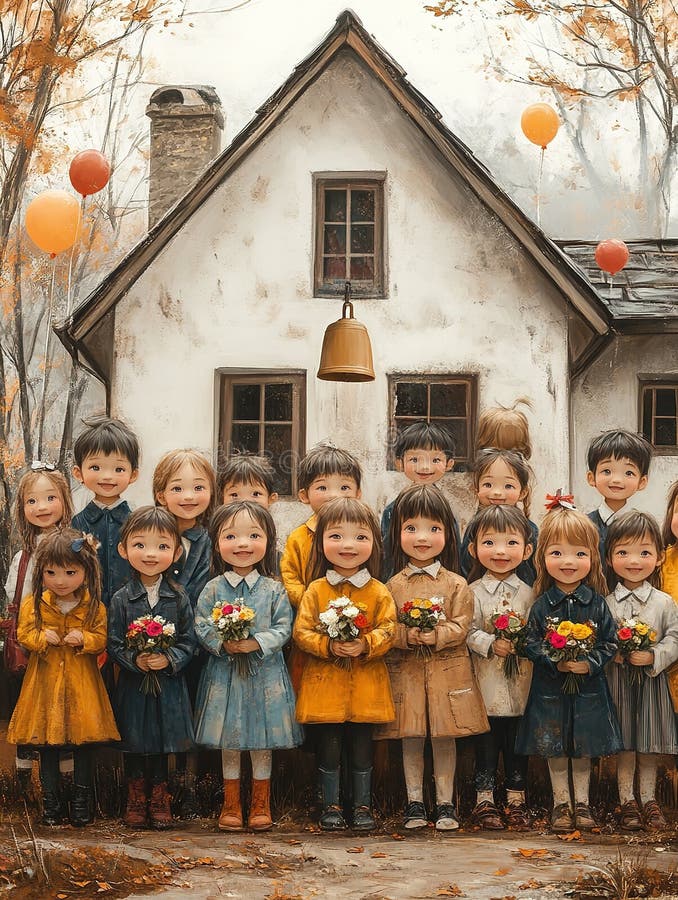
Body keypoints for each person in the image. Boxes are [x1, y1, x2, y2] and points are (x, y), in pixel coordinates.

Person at [376, 484, 488, 832]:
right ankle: (414, 801)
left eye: (433, 529)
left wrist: (437, 634)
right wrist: (405, 635)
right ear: (397, 534)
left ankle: (445, 802)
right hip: (407, 671)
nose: (422, 538)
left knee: (444, 736)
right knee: (411, 736)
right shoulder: (391, 586)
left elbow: (462, 624)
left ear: (448, 534)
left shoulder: (456, 584)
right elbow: (385, 626)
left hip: (446, 672)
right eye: (411, 528)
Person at [193, 501, 302, 832]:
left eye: (253, 535)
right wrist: (222, 643)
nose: (242, 544)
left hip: (265, 676)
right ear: (217, 543)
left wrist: (257, 642)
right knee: (231, 737)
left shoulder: (273, 589)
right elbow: (201, 624)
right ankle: (230, 803)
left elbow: (285, 627)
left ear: (268, 540)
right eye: (231, 536)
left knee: (260, 738)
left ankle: (260, 802)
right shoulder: (213, 588)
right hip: (224, 674)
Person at [515, 498, 622, 834]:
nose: (568, 562)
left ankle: (584, 805)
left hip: (588, 690)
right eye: (557, 553)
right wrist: (554, 661)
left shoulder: (597, 604)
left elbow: (610, 642)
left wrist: (588, 664)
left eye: (579, 553)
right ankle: (561, 803)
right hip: (551, 689)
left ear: (592, 558)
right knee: (556, 747)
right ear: (542, 557)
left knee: (582, 748)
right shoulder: (541, 606)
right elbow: (529, 642)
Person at [293, 498, 396, 832]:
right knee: (329, 749)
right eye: (336, 536)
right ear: (321, 542)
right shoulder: (315, 590)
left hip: (366, 685)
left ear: (374, 543)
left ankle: (363, 805)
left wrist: (365, 643)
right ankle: (330, 805)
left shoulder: (379, 591)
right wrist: (329, 645)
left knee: (362, 751)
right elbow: (301, 631)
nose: (348, 545)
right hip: (326, 686)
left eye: (360, 537)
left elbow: (389, 629)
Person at [7, 527, 119, 826]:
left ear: (86, 571)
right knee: (47, 745)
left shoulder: (94, 605)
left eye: (70, 572)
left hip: (82, 685)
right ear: (41, 573)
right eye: (51, 573)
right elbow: (24, 634)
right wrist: (43, 637)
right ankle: (51, 804)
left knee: (83, 744)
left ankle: (82, 803)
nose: (60, 581)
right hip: (43, 685)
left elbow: (101, 637)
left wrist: (84, 638)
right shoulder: (34, 604)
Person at [108, 506, 196, 829]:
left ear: (175, 552)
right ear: (124, 549)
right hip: (134, 686)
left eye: (162, 546)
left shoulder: (179, 597)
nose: (150, 554)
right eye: (140, 544)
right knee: (135, 739)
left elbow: (189, 640)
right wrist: (136, 660)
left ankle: (160, 796)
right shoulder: (121, 599)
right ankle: (135, 797)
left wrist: (169, 658)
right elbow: (114, 642)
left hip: (168, 686)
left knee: (161, 741)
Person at [605, 510, 678, 831]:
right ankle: (627, 801)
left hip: (652, 682)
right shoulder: (606, 603)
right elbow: (600, 640)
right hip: (618, 682)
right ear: (608, 559)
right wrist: (616, 655)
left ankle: (649, 799)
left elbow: (675, 637)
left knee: (649, 743)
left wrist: (653, 656)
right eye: (623, 552)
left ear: (659, 558)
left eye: (644, 552)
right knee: (625, 743)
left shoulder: (664, 603)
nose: (634, 560)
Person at [2, 464, 74, 792]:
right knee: (29, 711)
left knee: (65, 713)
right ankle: (26, 786)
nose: (42, 507)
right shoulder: (23, 557)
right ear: (22, 509)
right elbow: (15, 600)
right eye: (32, 501)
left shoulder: (77, 548)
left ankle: (66, 784)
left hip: (68, 647)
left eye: (50, 498)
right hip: (33, 647)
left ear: (65, 501)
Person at [153, 448, 216, 817]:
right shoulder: (150, 536)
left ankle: (190, 788)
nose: (188, 496)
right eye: (177, 488)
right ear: (161, 494)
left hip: (199, 647)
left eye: (198, 487)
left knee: (194, 713)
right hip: (158, 645)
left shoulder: (211, 540)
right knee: (161, 715)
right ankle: (160, 789)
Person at [466, 505, 535, 830]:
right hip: (486, 684)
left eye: (511, 543)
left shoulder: (531, 594)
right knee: (487, 745)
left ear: (527, 549)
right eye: (489, 543)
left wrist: (520, 643)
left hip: (522, 685)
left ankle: (517, 800)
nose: (500, 552)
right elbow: (466, 630)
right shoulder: (473, 593)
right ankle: (484, 799)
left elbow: (538, 633)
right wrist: (490, 643)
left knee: (517, 745)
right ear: (473, 549)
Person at [280, 443, 362, 691]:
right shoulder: (298, 537)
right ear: (304, 495)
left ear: (358, 493)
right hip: (311, 624)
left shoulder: (363, 534)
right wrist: (311, 602)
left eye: (344, 487)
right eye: (323, 487)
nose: (334, 494)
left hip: (354, 624)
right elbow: (289, 576)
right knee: (308, 682)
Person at [72, 416, 139, 607]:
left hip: (131, 608)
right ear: (78, 473)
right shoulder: (77, 523)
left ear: (133, 474)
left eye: (118, 468)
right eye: (95, 467)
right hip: (86, 608)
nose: (107, 476)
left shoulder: (136, 522)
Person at [381, 423, 459, 581]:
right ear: (399, 463)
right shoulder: (393, 509)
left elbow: (454, 552)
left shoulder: (445, 509)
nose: (424, 467)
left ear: (449, 463)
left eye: (435, 459)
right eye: (414, 459)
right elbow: (387, 556)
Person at [460, 449, 538, 585]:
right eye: (488, 485)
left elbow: (534, 571)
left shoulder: (530, 529)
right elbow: (464, 567)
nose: (496, 492)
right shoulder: (475, 527)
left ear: (523, 492)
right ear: (476, 489)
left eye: (508, 486)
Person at [586, 430, 652, 563]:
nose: (616, 479)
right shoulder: (584, 526)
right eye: (607, 471)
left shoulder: (644, 527)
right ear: (591, 478)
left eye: (628, 473)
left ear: (642, 482)